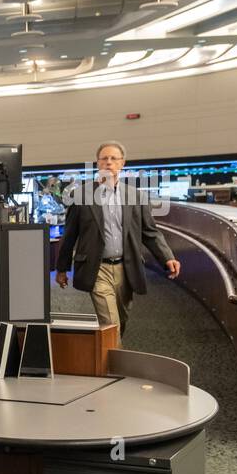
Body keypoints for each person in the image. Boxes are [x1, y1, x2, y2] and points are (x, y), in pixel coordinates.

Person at [54, 141, 180, 339]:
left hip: (126, 269)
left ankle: (112, 356)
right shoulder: (81, 196)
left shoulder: (135, 196)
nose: (108, 163)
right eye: (104, 158)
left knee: (121, 320)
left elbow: (150, 232)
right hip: (97, 268)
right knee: (110, 324)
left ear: (122, 163)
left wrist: (167, 257)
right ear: (97, 164)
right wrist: (61, 268)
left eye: (114, 159)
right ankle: (112, 367)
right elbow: (69, 235)